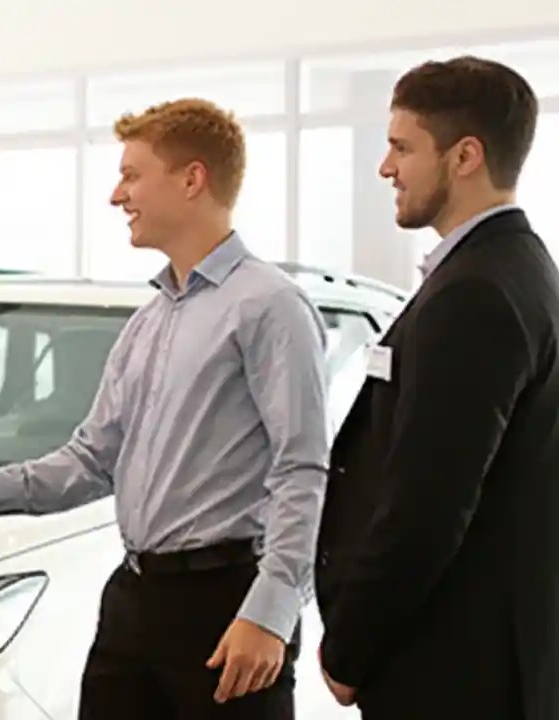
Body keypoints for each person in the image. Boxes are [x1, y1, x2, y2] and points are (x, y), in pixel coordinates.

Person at [0, 98, 330, 719]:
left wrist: (270, 614)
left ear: (193, 179)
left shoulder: (269, 306)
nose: (117, 195)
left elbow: (302, 469)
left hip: (225, 605)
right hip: (134, 599)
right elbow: (91, 460)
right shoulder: (149, 320)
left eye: (132, 174)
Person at [314, 56, 559, 719]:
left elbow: (428, 504)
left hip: (451, 670)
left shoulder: (475, 293)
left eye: (401, 147)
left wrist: (349, 650)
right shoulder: (521, 267)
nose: (385, 168)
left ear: (465, 157)